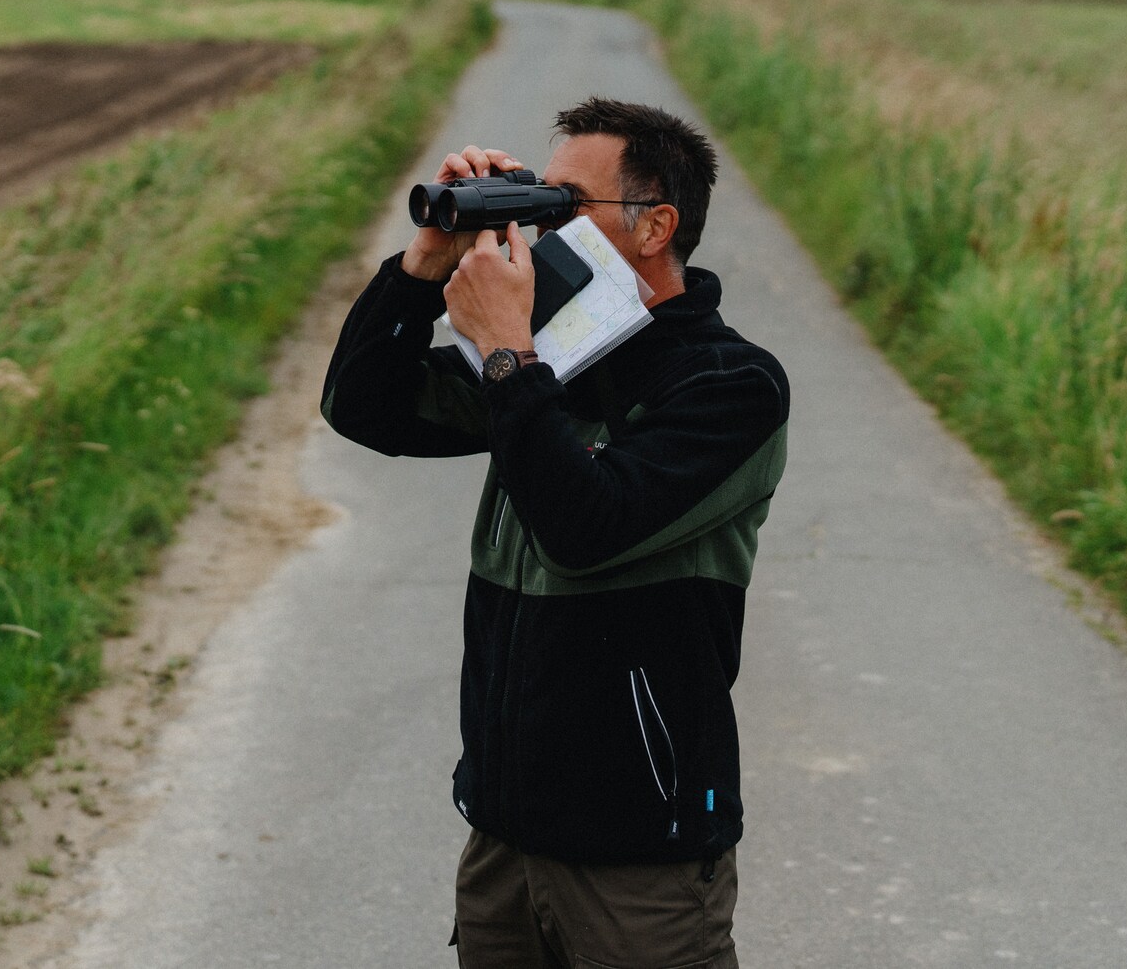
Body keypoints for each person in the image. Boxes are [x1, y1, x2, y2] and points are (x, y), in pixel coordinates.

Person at [322, 97, 790, 969]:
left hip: (638, 858)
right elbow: (364, 407)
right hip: (506, 842)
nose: (541, 221)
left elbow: (586, 529)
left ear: (657, 226)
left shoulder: (732, 386)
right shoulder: (554, 354)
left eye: (565, 202)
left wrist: (506, 349)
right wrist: (423, 267)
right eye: (538, 195)